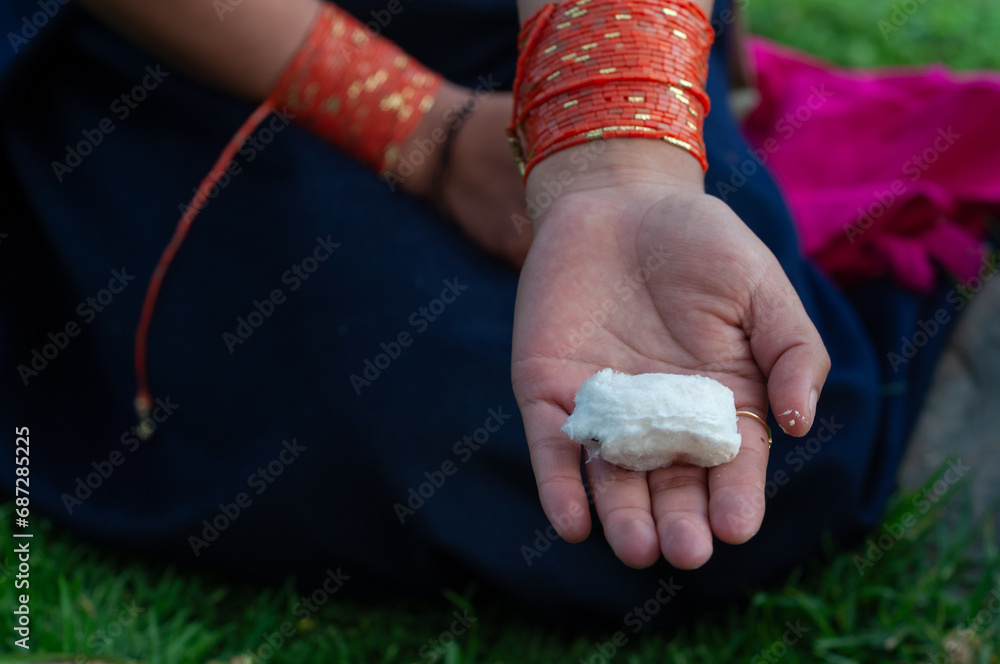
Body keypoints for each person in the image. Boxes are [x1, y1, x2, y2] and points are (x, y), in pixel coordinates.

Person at [0, 0, 958, 624]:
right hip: (201, 49)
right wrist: (418, 127)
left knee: (775, 426)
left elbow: (616, 148)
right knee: (418, 409)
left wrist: (612, 158)